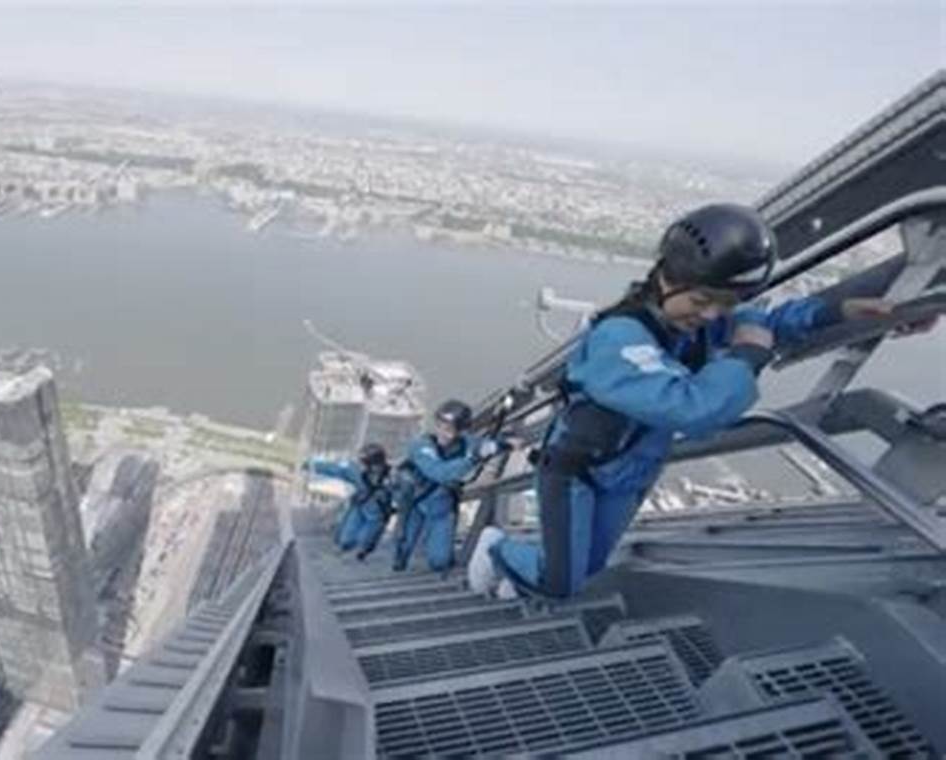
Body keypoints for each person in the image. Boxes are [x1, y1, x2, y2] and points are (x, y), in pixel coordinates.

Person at [468, 202, 936, 600]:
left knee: (588, 566)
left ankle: (527, 570)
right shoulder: (619, 339)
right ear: (669, 278)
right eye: (703, 300)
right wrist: (750, 352)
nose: (712, 315)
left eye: (726, 304)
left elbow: (766, 320)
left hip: (630, 470)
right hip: (575, 469)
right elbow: (694, 410)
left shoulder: (695, 321)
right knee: (561, 584)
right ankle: (496, 549)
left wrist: (837, 311)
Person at [393, 399, 505, 573]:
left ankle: (435, 551)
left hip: (442, 507)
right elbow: (440, 473)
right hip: (417, 502)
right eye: (441, 426)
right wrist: (473, 458)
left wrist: (502, 444)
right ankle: (402, 555)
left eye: (452, 429)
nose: (445, 434)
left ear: (461, 431)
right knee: (402, 545)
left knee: (440, 561)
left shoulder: (467, 442)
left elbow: (484, 444)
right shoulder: (421, 446)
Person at [305, 443, 394, 559]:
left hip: (378, 513)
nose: (373, 469)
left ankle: (361, 551)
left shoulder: (392, 477)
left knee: (364, 540)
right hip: (360, 505)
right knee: (346, 538)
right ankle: (344, 548)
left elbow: (405, 495)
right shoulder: (356, 471)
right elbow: (336, 469)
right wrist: (312, 465)